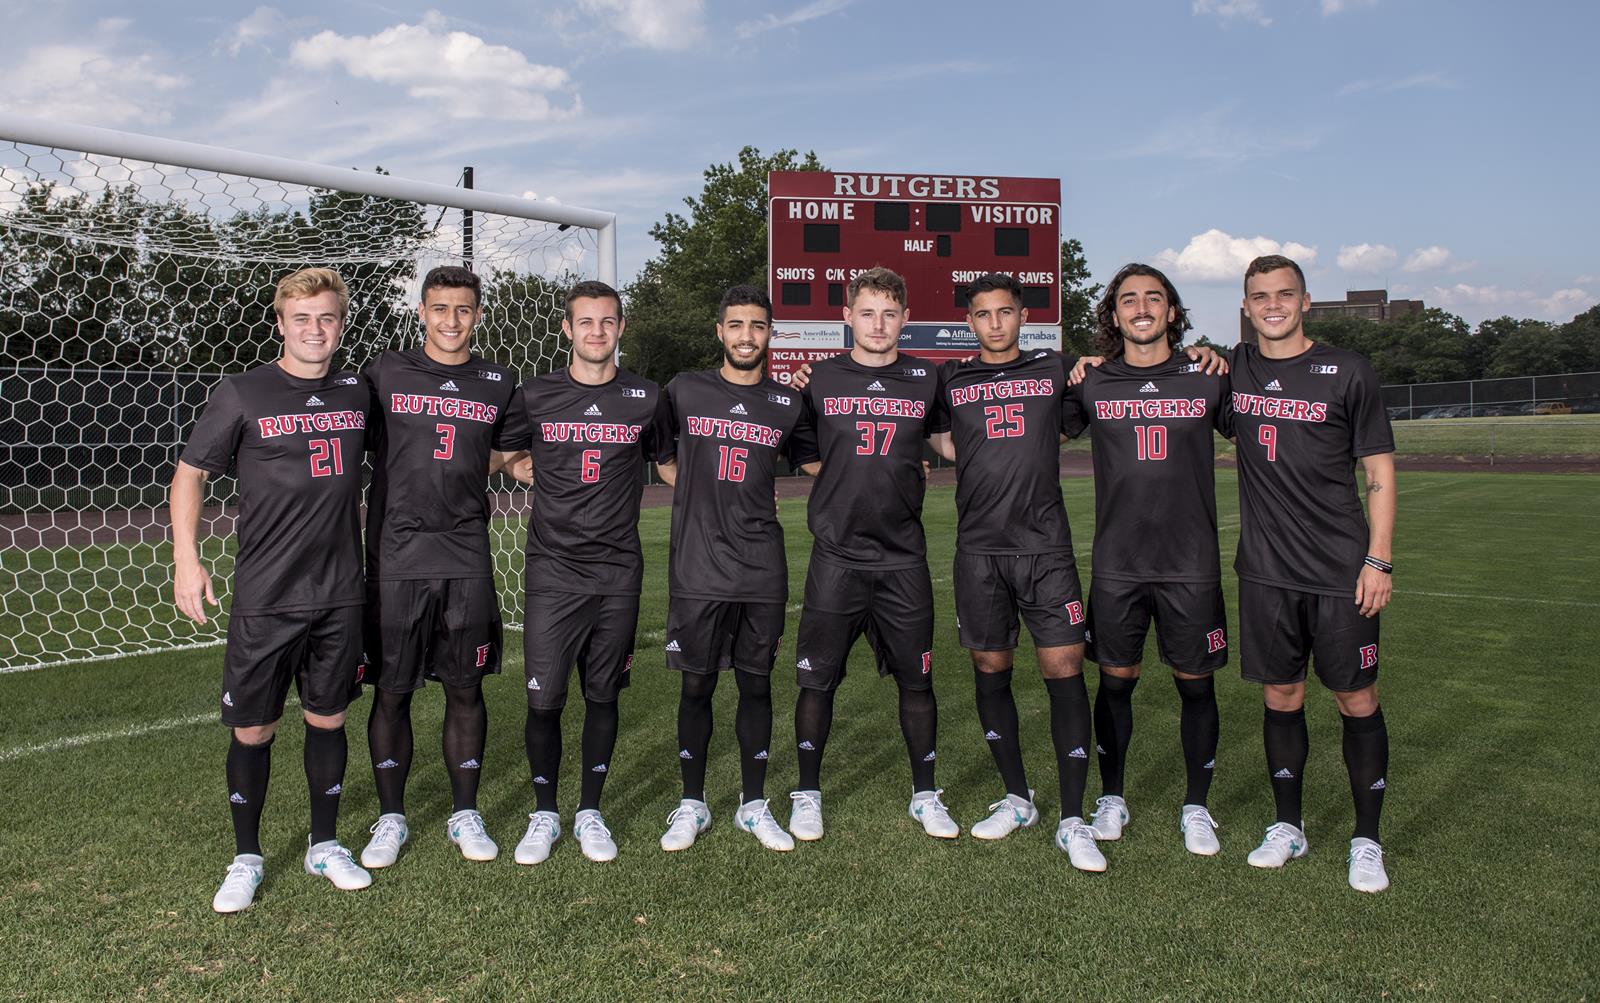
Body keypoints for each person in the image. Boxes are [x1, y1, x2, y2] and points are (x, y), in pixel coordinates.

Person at [171, 267, 374, 912]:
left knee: (329, 716)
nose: (316, 330)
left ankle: (323, 843)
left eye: (328, 318)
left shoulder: (359, 392)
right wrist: (186, 558)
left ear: (340, 324)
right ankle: (247, 856)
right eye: (303, 319)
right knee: (253, 728)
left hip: (342, 590)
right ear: (280, 324)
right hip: (267, 592)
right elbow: (189, 475)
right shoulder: (241, 392)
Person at [927, 272, 1105, 870]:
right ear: (970, 322)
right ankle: (1017, 796)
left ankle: (1074, 817)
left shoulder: (1056, 370)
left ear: (1022, 316)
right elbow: (921, 425)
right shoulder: (949, 379)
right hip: (979, 550)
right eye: (983, 314)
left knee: (1064, 666)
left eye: (1005, 312)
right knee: (989, 665)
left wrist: (1099, 362)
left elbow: (1102, 395)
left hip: (1045, 548)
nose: (995, 323)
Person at [1230, 254, 1396, 893]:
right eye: (1260, 296)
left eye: (1284, 294)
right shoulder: (1234, 367)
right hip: (1267, 573)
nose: (1272, 304)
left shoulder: (1348, 371)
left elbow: (1379, 472)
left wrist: (1378, 558)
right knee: (1281, 695)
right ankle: (1288, 827)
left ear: (1305, 301)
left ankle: (1366, 839)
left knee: (1355, 697)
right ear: (1246, 307)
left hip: (1340, 572)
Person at [498, 280, 673, 864]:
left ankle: (589, 811)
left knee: (603, 694)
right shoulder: (535, 395)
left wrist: (739, 492)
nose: (597, 331)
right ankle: (544, 813)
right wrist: (523, 467)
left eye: (608, 321)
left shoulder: (648, 398)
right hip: (553, 571)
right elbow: (497, 454)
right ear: (568, 330)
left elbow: (672, 466)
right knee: (543, 699)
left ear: (621, 328)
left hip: (618, 571)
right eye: (586, 322)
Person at [356, 265, 520, 869]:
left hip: (466, 556)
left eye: (464, 310)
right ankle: (391, 817)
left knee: (464, 686)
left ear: (478, 314)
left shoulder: (500, 381)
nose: (452, 321)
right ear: (421, 312)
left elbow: (509, 448)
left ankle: (464, 811)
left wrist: (506, 466)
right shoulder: (385, 372)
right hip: (396, 557)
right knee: (392, 691)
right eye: (440, 308)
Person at [785, 266, 957, 841]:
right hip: (836, 553)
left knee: (918, 681)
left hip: (903, 556)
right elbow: (804, 450)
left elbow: (947, 442)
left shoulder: (926, 379)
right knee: (816, 681)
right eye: (867, 312)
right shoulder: (820, 379)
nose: (878, 324)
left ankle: (925, 793)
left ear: (906, 319)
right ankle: (807, 792)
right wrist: (848, 480)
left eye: (889, 313)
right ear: (846, 317)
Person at [1065, 264, 1232, 857]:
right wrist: (1078, 367)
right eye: (1128, 300)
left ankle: (1196, 805)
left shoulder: (1209, 376)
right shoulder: (1090, 382)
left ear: (1172, 311)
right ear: (1113, 315)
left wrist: (1217, 356)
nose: (1141, 308)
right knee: (1115, 681)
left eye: (1153, 299)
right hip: (1119, 563)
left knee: (1195, 684)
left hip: (1190, 562)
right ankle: (1112, 797)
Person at [654, 285, 809, 853]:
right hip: (698, 566)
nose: (747, 336)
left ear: (771, 334)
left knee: (756, 684)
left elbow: (819, 459)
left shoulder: (789, 403)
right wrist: (701, 488)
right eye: (737, 325)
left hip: (761, 565)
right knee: (696, 685)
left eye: (759, 326)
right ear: (719, 331)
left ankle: (753, 803)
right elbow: (662, 456)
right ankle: (691, 804)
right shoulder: (684, 390)